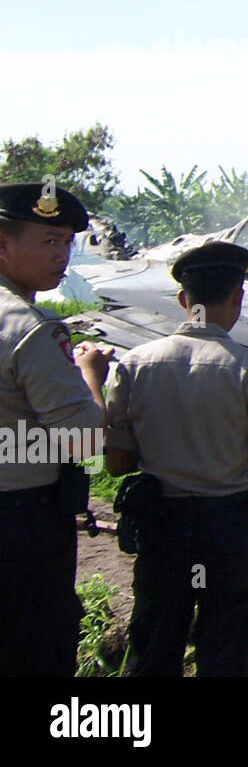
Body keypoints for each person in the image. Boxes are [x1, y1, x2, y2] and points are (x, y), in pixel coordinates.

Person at [105, 241, 248, 677]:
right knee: (228, 644)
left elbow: (116, 464)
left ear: (182, 300)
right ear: (237, 298)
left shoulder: (134, 365)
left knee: (155, 642)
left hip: (161, 525)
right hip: (229, 529)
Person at [0, 181, 112, 676]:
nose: (62, 255)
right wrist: (90, 375)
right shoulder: (31, 330)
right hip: (22, 524)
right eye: (49, 241)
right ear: (2, 246)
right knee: (36, 647)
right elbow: (86, 441)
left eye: (68, 241)